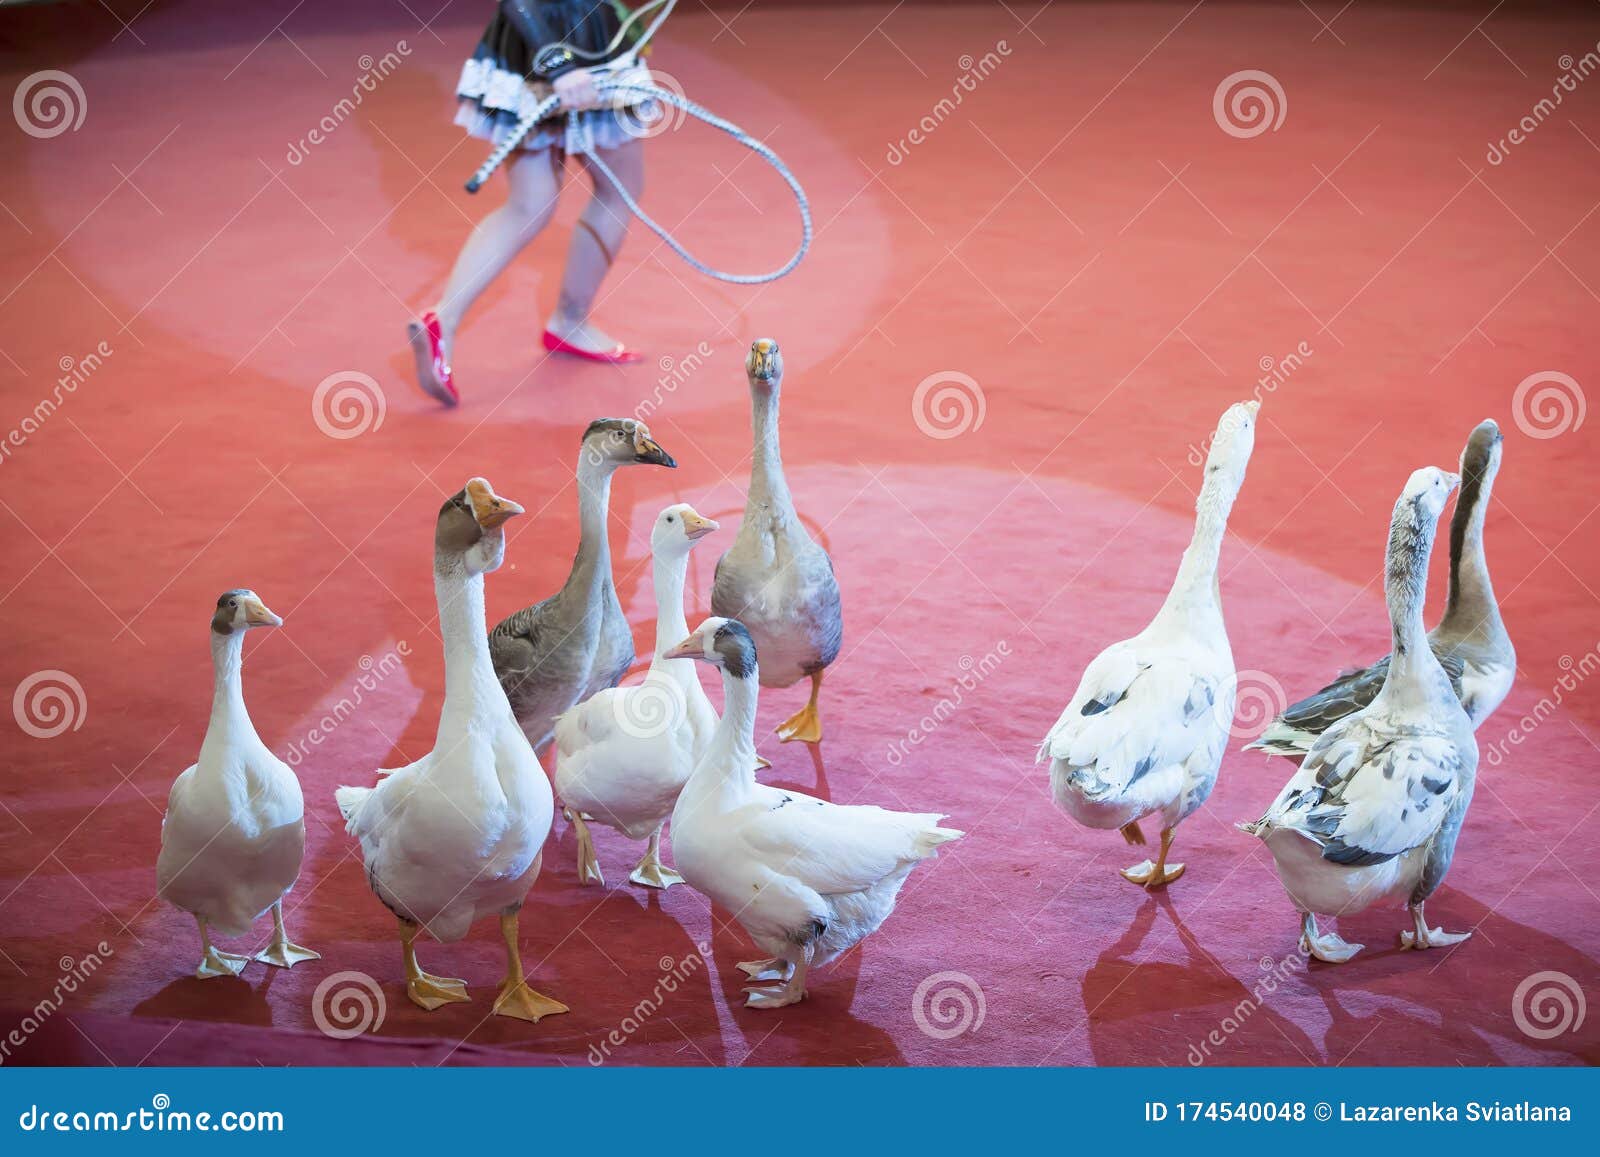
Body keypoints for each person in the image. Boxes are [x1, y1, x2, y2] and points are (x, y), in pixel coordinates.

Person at [410, 0, 652, 405]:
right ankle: (570, 321)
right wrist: (558, 64)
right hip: (569, 43)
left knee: (529, 205)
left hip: (541, 42)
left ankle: (443, 318)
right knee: (618, 189)